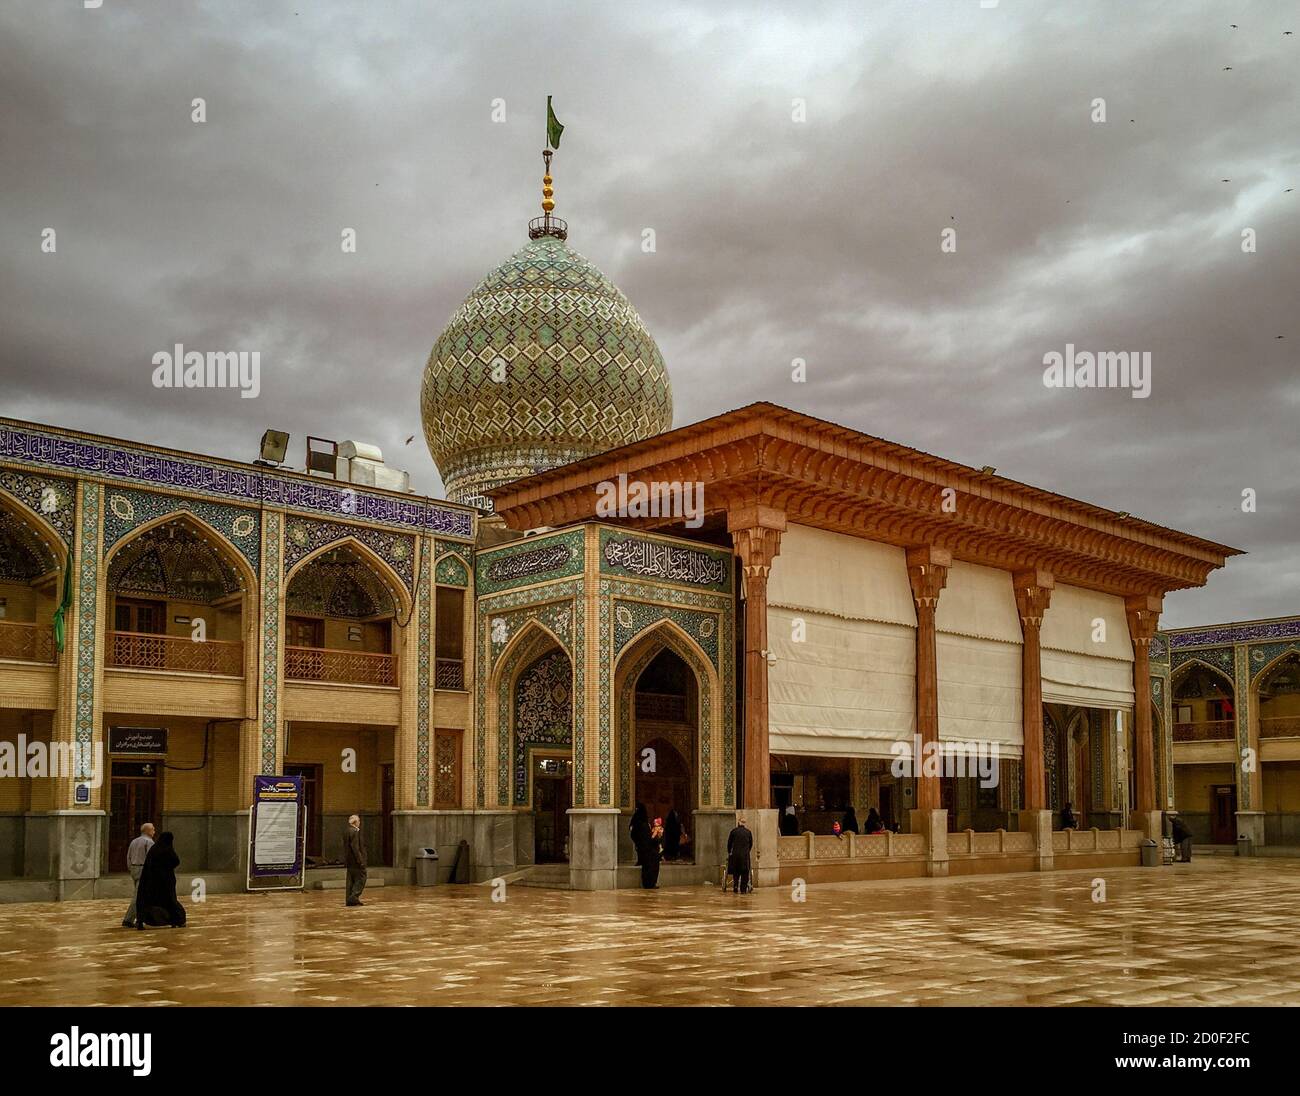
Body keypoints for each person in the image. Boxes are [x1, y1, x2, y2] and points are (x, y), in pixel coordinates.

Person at [135, 832, 185, 929]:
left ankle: (141, 921)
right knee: (169, 901)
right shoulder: (168, 850)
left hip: (150, 882)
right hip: (165, 882)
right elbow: (176, 861)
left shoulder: (153, 849)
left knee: (147, 901)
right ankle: (175, 921)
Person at [122, 822, 155, 928]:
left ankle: (141, 918)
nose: (154, 831)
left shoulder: (134, 841)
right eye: (153, 829)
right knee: (138, 897)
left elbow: (128, 857)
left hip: (134, 869)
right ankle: (128, 919)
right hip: (143, 870)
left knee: (142, 895)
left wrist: (131, 869)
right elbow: (151, 859)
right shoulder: (149, 842)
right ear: (148, 831)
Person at [344, 814, 367, 906]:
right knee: (361, 877)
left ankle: (349, 899)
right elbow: (355, 848)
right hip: (356, 861)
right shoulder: (354, 832)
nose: (360, 823)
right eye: (359, 821)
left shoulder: (346, 831)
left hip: (349, 860)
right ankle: (354, 897)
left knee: (351, 880)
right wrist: (360, 860)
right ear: (355, 822)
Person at [726, 816, 753, 894]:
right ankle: (743, 889)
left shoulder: (733, 831)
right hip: (745, 856)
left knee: (736, 872)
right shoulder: (748, 832)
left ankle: (735, 886)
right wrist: (747, 851)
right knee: (745, 873)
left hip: (735, 855)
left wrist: (729, 852)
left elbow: (729, 843)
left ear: (738, 822)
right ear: (745, 824)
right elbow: (751, 844)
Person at [640, 817, 663, 888]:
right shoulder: (652, 831)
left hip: (652, 853)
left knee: (651, 869)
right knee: (651, 869)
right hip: (652, 854)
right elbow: (652, 840)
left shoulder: (659, 831)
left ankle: (650, 883)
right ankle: (650, 884)